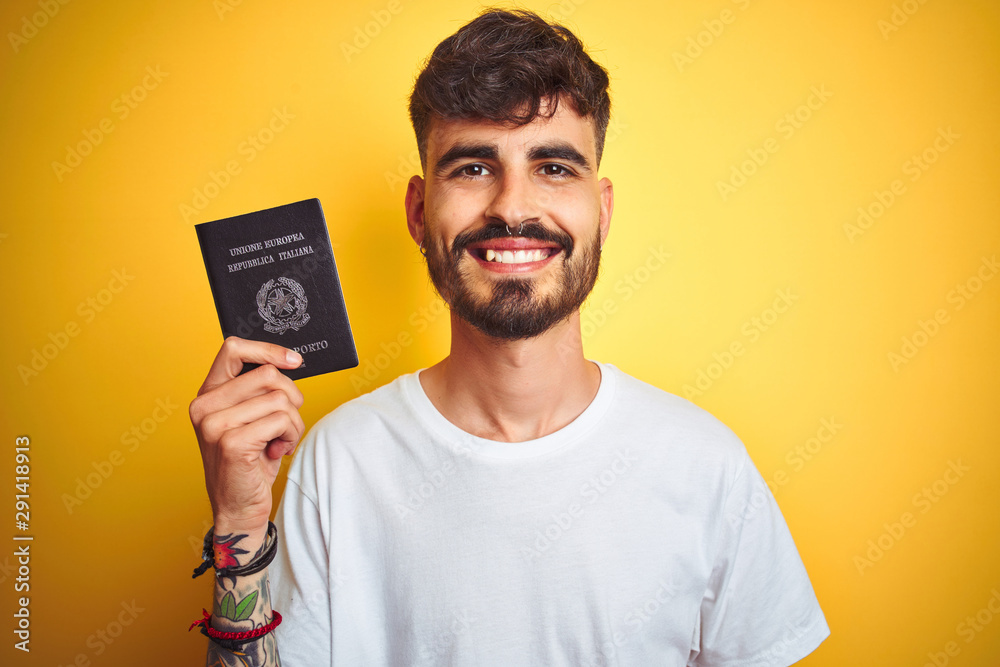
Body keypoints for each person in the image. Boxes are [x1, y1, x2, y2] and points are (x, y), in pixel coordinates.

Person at [189, 9, 830, 666]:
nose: (513, 207)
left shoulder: (707, 466)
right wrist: (238, 524)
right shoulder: (336, 464)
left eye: (554, 167)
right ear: (417, 211)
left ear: (602, 211)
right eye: (472, 167)